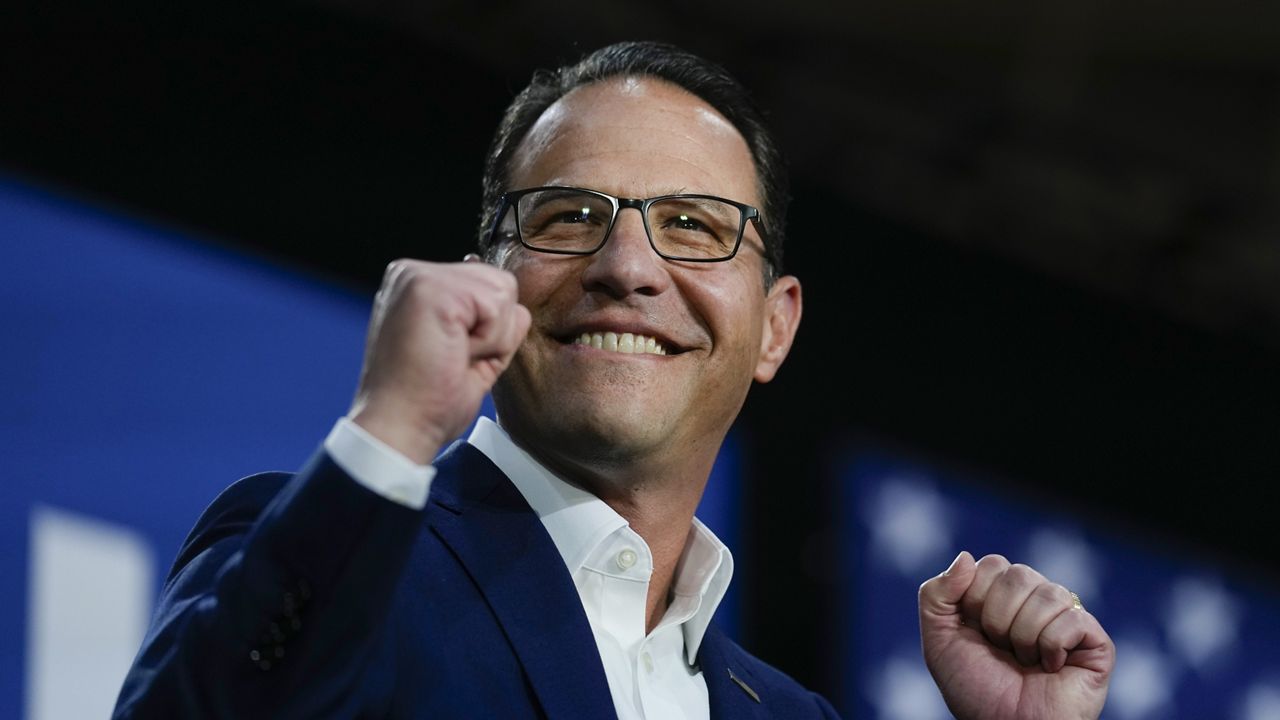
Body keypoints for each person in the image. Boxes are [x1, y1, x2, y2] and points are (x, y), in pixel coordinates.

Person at [113, 41, 1114, 719]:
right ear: (487, 278)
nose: (627, 267)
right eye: (566, 216)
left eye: (692, 226)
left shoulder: (787, 712)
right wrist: (388, 435)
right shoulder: (332, 558)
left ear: (774, 329)